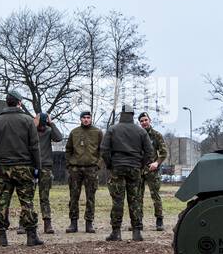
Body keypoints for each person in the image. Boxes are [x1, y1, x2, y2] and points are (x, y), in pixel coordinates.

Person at [0, 90, 43, 247]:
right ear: (19, 103)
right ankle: (31, 236)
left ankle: (2, 236)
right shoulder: (28, 120)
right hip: (24, 167)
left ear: (7, 102)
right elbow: (34, 146)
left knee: (3, 201)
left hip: (4, 167)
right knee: (27, 202)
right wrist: (37, 167)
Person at [100, 103, 154, 242]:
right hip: (134, 168)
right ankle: (137, 232)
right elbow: (149, 152)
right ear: (132, 115)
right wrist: (140, 165)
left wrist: (110, 164)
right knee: (134, 200)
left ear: (121, 114)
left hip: (117, 167)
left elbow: (104, 150)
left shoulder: (113, 129)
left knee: (118, 200)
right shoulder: (140, 131)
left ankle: (116, 232)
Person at [65, 110, 103, 233]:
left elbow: (102, 150)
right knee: (73, 196)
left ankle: (89, 223)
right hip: (75, 169)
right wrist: (69, 165)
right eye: (84, 117)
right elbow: (68, 149)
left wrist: (98, 165)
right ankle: (73, 223)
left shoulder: (97, 132)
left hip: (91, 168)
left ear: (91, 119)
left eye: (88, 117)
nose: (86, 119)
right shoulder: (74, 132)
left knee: (90, 197)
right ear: (80, 119)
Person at [137, 112, 169, 231]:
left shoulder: (156, 135)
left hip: (152, 170)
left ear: (150, 120)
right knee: (137, 197)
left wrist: (157, 163)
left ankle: (159, 221)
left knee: (155, 196)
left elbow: (163, 152)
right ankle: (138, 221)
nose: (144, 122)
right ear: (139, 123)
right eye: (141, 121)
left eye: (146, 120)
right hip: (139, 170)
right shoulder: (136, 135)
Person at [35, 112, 63, 234]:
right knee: (26, 197)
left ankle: (47, 224)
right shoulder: (31, 131)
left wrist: (52, 124)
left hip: (45, 166)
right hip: (32, 167)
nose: (41, 126)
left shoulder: (48, 131)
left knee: (44, 197)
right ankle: (24, 223)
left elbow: (59, 138)